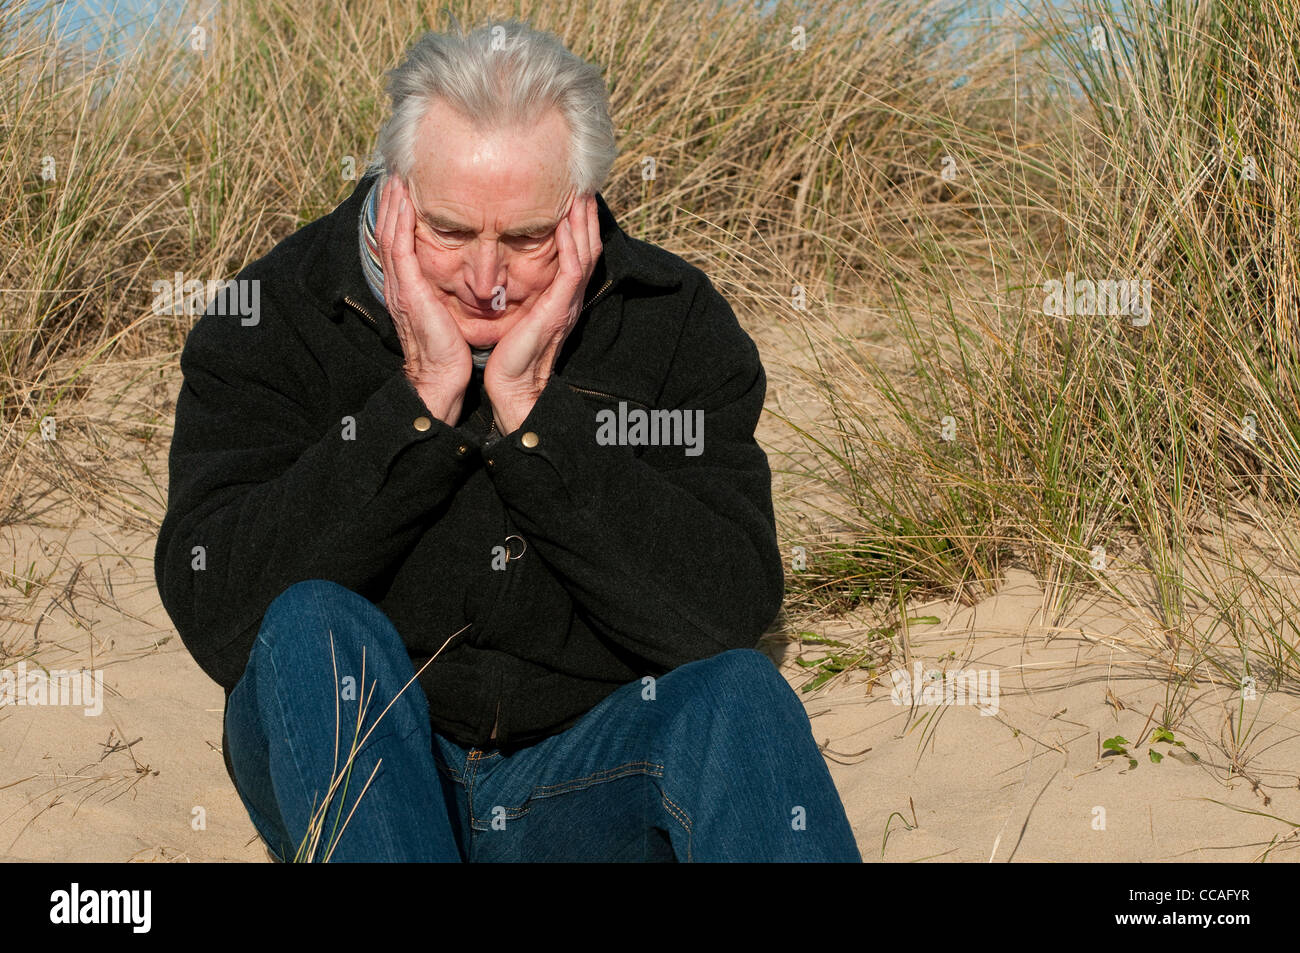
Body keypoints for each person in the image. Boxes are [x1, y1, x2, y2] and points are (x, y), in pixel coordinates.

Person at [154, 17, 862, 862]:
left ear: (582, 212)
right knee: (312, 622)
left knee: (743, 695)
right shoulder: (273, 314)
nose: (485, 284)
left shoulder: (671, 321)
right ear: (395, 192)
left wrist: (535, 417)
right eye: (449, 231)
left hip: (581, 779)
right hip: (364, 774)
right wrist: (418, 405)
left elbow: (724, 613)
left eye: (526, 239)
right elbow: (220, 616)